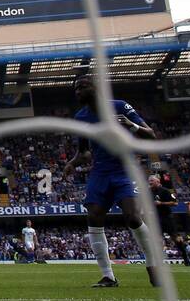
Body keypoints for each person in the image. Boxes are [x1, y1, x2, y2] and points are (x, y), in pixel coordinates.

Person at [64, 73, 159, 288]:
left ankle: (153, 264)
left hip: (125, 169)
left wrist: (131, 125)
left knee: (132, 217)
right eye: (76, 89)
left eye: (82, 87)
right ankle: (108, 276)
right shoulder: (81, 117)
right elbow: (83, 151)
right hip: (100, 172)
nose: (78, 92)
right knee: (94, 216)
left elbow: (151, 135)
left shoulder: (119, 106)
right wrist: (72, 163)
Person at [148, 175, 190, 266]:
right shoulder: (148, 192)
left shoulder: (166, 191)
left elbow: (175, 203)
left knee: (175, 238)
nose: (150, 182)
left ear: (158, 181)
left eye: (152, 181)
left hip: (167, 217)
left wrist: (161, 203)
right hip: (156, 218)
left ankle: (185, 256)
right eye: (149, 181)